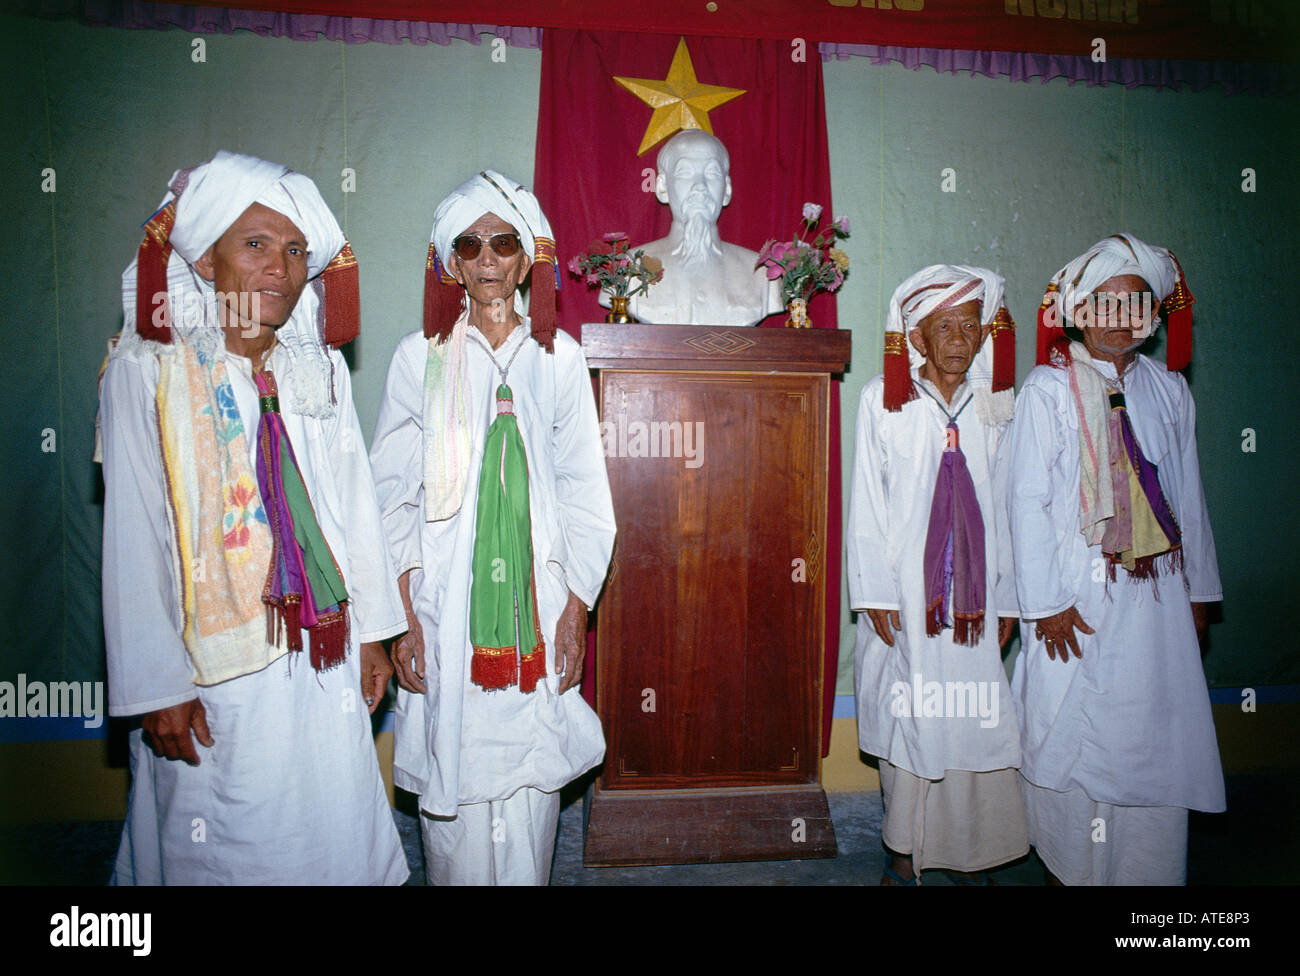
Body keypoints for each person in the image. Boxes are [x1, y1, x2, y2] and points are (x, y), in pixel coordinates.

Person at [97, 150, 408, 884]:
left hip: (318, 652)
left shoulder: (316, 368)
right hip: (211, 669)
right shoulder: (151, 368)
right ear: (207, 260)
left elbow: (353, 503)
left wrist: (371, 635)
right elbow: (134, 533)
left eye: (296, 250)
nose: (281, 266)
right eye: (257, 244)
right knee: (220, 836)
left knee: (328, 822)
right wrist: (154, 684)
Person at [370, 170, 615, 885]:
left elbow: (583, 490)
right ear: (450, 262)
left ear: (526, 258)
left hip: (536, 598)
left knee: (533, 774)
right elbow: (392, 495)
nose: (485, 260)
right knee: (456, 768)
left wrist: (575, 608)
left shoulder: (559, 359)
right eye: (468, 245)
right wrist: (403, 615)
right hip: (447, 604)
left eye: (502, 244)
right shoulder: (420, 358)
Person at [1009, 232, 1224, 885]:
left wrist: (1198, 595)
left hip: (1154, 598)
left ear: (1153, 317)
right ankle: (1069, 868)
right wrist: (1045, 604)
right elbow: (1026, 500)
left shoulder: (1167, 392)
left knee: (1150, 737)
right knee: (1066, 733)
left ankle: (1144, 874)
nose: (1119, 319)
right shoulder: (1046, 391)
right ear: (1076, 310)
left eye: (1135, 305)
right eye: (1103, 304)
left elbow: (1188, 495)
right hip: (1074, 594)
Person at [848, 265, 1025, 885]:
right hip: (906, 590)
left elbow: (1007, 504)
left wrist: (1005, 599)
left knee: (972, 713)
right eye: (942, 326)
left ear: (984, 335)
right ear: (917, 339)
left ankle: (970, 848)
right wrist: (871, 591)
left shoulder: (999, 407)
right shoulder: (883, 399)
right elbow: (868, 500)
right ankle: (906, 844)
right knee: (909, 710)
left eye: (970, 325)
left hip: (975, 592)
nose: (958, 338)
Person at [603, 130, 780, 326]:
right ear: (662, 188)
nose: (700, 185)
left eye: (711, 173)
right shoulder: (627, 270)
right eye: (685, 172)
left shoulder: (761, 273)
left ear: (726, 190)